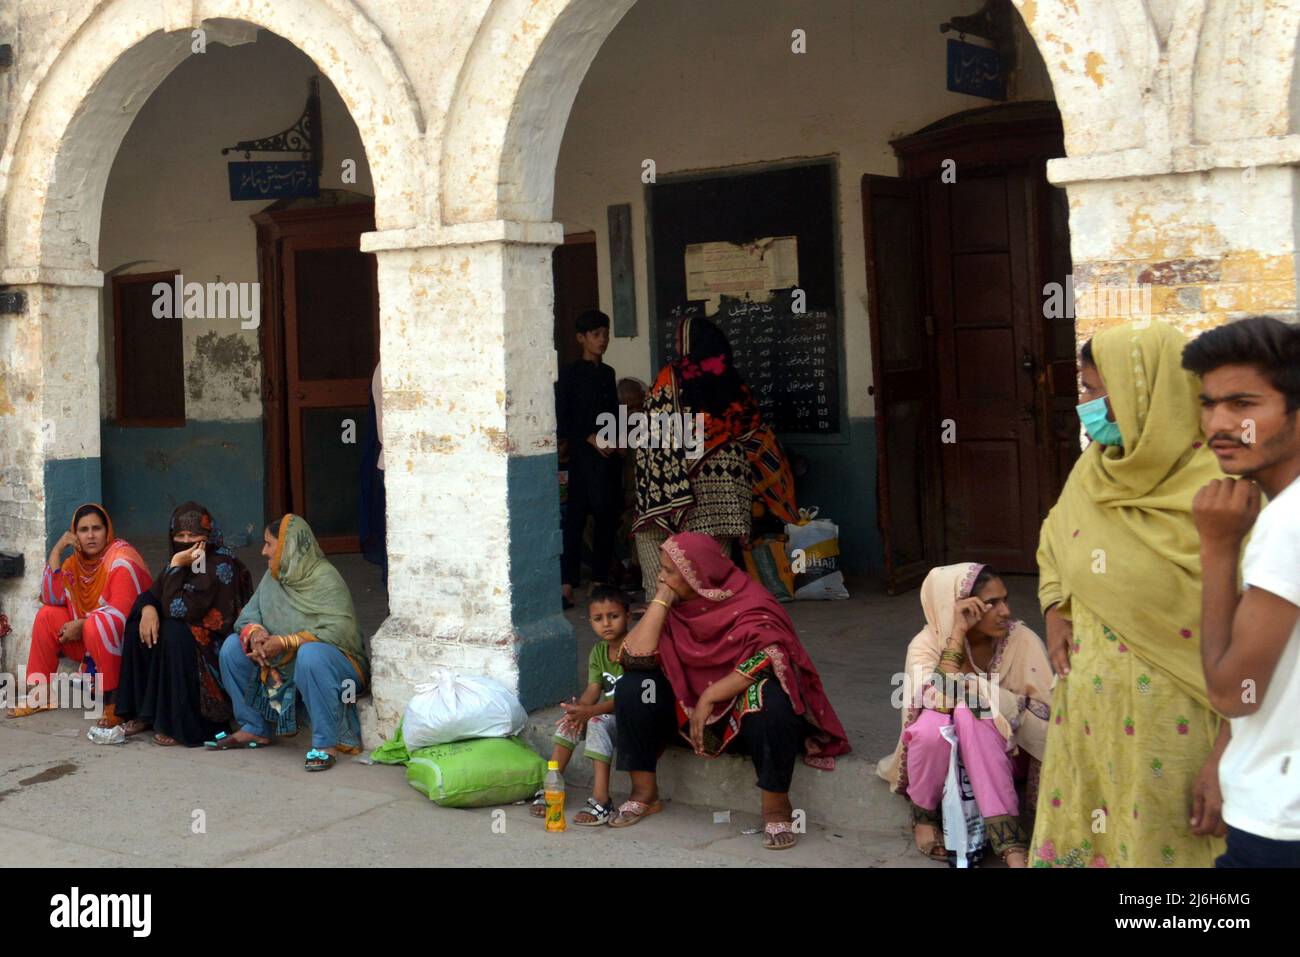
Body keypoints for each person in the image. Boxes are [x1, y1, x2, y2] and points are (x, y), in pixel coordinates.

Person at [1031, 320, 1228, 868]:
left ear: (1146, 395)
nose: (1085, 405)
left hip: (1178, 739)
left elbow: (1264, 641)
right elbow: (1055, 538)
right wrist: (1054, 606)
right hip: (1092, 729)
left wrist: (1228, 756)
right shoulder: (1095, 473)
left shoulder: (1223, 495)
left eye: (1095, 390)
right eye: (1084, 390)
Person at [611, 531, 849, 848]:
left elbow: (773, 656)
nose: (661, 577)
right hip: (686, 712)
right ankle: (644, 793)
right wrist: (661, 601)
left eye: (670, 571)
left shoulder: (750, 601)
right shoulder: (674, 608)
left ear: (699, 576)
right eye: (662, 569)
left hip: (739, 715)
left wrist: (712, 694)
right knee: (635, 687)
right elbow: (631, 658)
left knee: (772, 702)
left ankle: (776, 808)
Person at [1183, 316, 1300, 867]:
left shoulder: (1287, 523)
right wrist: (1227, 751)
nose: (1219, 425)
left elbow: (1237, 694)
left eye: (1244, 405)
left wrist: (1218, 548)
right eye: (1209, 404)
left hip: (1281, 822)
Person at [877, 563, 1051, 867]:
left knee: (976, 713)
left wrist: (987, 700)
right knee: (932, 726)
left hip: (1008, 753)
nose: (1005, 611)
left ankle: (1010, 843)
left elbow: (1048, 716)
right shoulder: (926, 644)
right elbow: (934, 700)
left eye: (1004, 600)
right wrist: (956, 632)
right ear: (957, 606)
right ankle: (924, 817)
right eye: (991, 603)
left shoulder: (1021, 639)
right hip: (943, 758)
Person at [632, 315, 798, 601]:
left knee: (649, 531)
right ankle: (717, 599)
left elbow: (655, 430)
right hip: (731, 477)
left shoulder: (671, 376)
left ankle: (658, 598)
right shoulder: (731, 377)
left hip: (690, 476)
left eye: (677, 339)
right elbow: (752, 426)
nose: (675, 345)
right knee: (718, 544)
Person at [208, 515, 369, 771]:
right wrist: (257, 634)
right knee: (231, 648)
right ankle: (254, 728)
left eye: (269, 544)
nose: (263, 551)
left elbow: (340, 630)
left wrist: (285, 642)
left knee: (310, 655)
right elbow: (248, 616)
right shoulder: (274, 577)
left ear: (288, 545)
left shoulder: (325, 577)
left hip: (338, 664)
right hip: (284, 662)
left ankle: (325, 744)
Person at [116, 502, 253, 747]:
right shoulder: (183, 560)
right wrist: (148, 608)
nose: (187, 540)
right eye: (180, 535)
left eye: (194, 535)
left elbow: (177, 608)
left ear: (207, 536)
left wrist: (176, 566)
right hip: (187, 630)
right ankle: (145, 713)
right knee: (139, 621)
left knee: (172, 631)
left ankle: (183, 724)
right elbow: (155, 594)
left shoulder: (219, 564)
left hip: (214, 645)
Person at [9, 503, 151, 726]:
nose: (91, 536)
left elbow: (122, 614)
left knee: (98, 623)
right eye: (83, 530)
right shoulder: (74, 562)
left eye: (97, 528)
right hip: (89, 640)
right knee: (47, 615)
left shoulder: (122, 558)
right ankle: (42, 693)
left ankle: (114, 703)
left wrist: (83, 624)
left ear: (108, 531)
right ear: (75, 535)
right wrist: (57, 550)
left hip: (125, 644)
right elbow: (51, 597)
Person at [531, 584, 627, 825]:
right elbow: (594, 690)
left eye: (613, 616)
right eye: (598, 619)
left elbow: (625, 700)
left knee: (595, 721)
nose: (606, 624)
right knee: (571, 721)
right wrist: (579, 709)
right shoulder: (598, 651)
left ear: (628, 615)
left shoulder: (635, 648)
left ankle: (601, 800)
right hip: (607, 713)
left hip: (630, 716)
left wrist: (590, 712)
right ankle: (551, 786)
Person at [556, 309, 622, 609]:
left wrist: (614, 440)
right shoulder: (569, 374)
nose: (602, 340)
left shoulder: (608, 373)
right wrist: (588, 437)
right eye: (596, 335)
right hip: (582, 455)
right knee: (575, 518)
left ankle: (598, 580)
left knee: (607, 515)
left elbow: (611, 414)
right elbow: (562, 416)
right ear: (581, 338)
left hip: (605, 455)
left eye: (605, 334)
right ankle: (567, 583)